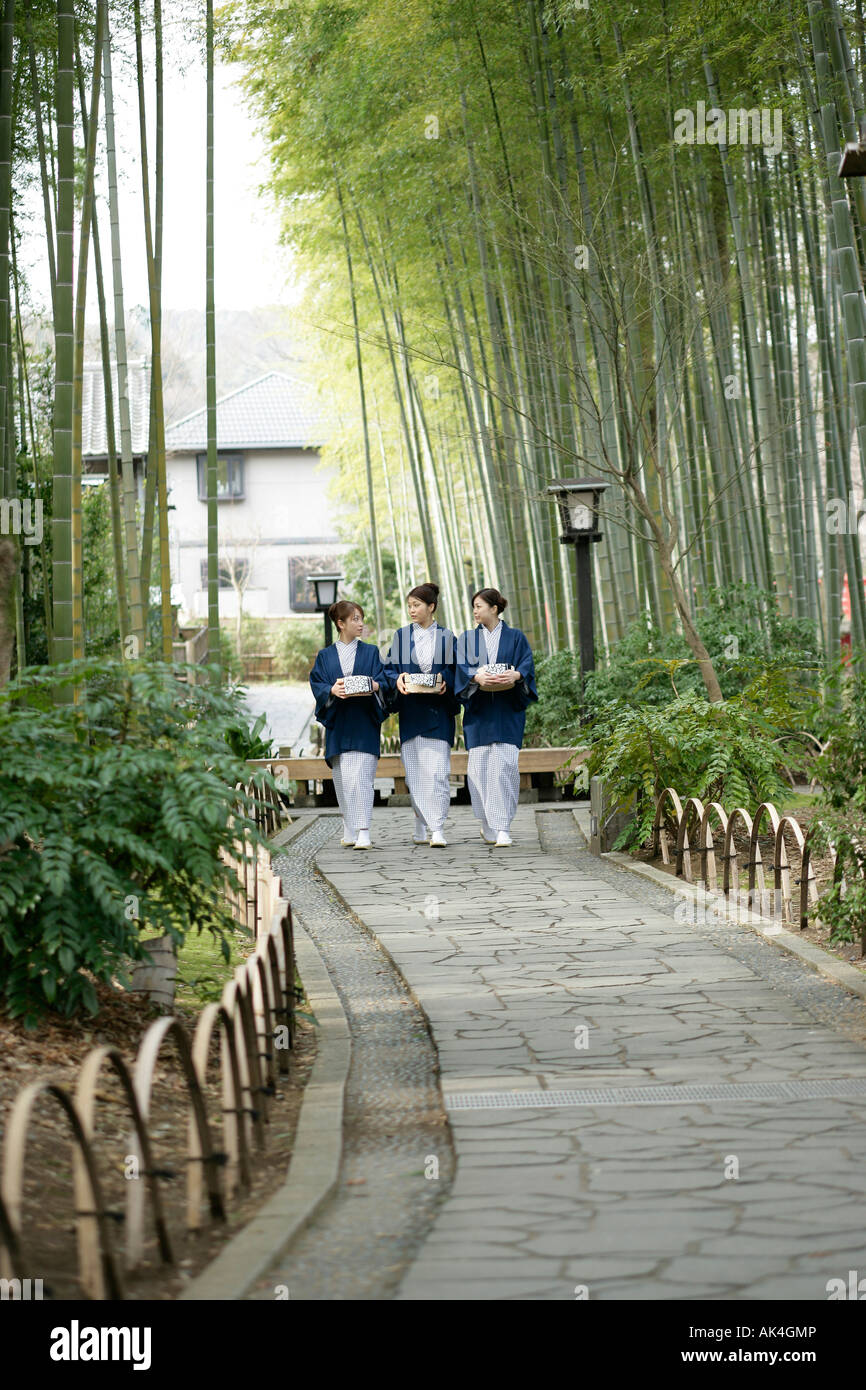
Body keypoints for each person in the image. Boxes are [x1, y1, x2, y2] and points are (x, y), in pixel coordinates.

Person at [455, 587, 537, 847]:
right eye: (474, 607)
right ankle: (487, 822)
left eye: (479, 606)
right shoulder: (467, 639)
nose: (475, 611)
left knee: (504, 766)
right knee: (478, 770)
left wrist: (516, 675)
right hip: (479, 713)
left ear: (494, 608)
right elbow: (461, 668)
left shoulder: (515, 637)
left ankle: (502, 827)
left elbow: (526, 664)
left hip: (507, 712)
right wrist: (476, 676)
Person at [309, 600, 392, 850]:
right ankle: (349, 825)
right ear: (340, 623)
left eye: (361, 618)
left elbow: (383, 680)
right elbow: (317, 683)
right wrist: (332, 689)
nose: (360, 623)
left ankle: (363, 830)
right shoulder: (325, 656)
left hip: (364, 721)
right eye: (354, 619)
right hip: (339, 722)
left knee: (362, 778)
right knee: (343, 778)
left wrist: (375, 685)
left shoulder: (371, 652)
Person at [385, 582, 459, 847]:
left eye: (416, 605)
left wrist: (445, 682)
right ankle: (420, 822)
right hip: (411, 712)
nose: (412, 610)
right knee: (414, 775)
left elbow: (455, 671)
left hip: (438, 713)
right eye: (409, 606)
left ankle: (437, 827)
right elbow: (389, 670)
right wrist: (398, 679)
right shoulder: (401, 637)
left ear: (431, 607)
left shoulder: (448, 638)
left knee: (438, 772)